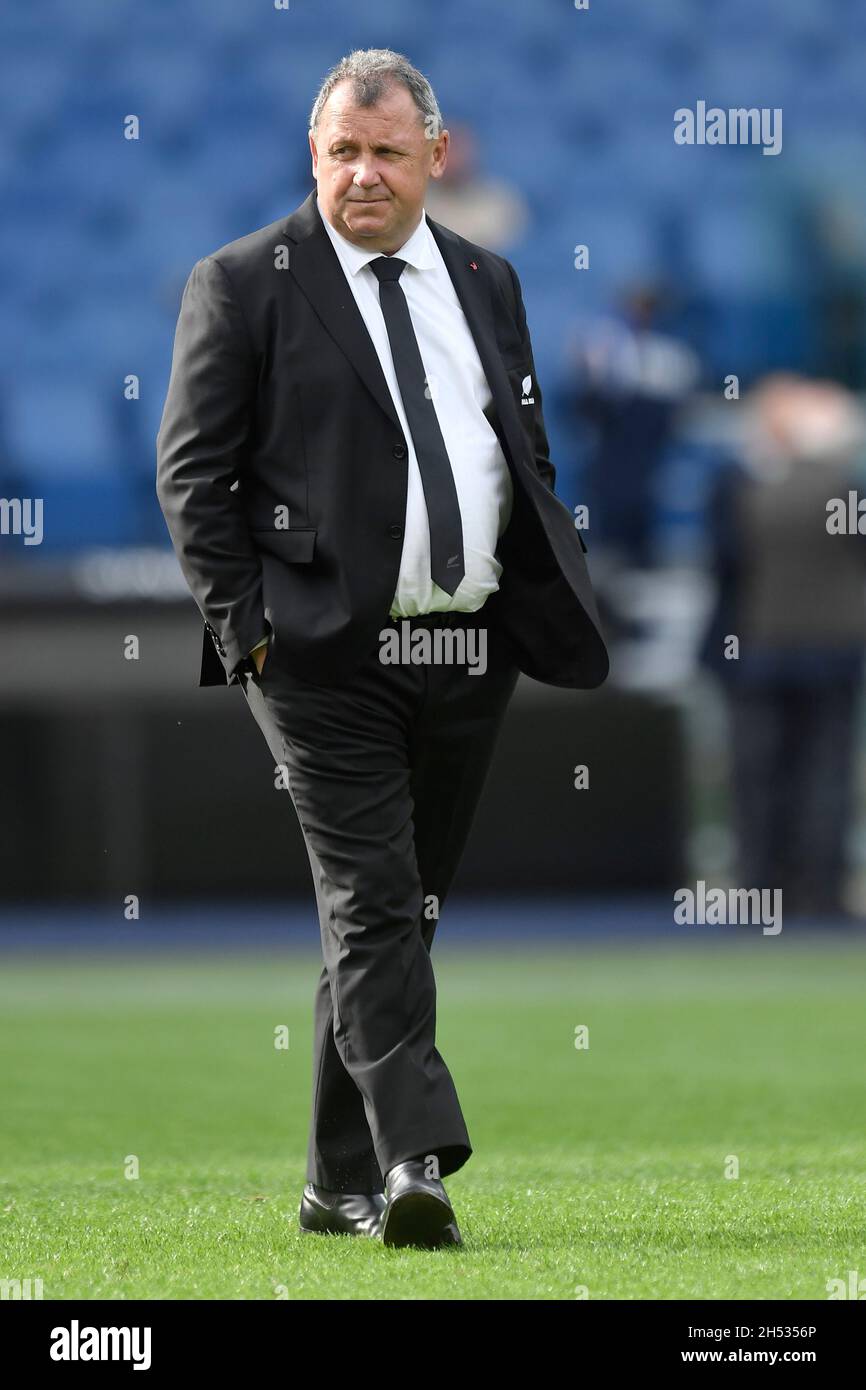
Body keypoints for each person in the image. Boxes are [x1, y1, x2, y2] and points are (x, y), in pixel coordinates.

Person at [156, 48, 607, 1249]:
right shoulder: (244, 282)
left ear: (433, 158)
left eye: (385, 152)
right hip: (315, 658)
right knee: (372, 901)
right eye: (340, 152)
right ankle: (416, 1159)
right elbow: (191, 473)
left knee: (399, 915)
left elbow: (519, 447)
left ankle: (330, 1182)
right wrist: (248, 635)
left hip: (461, 648)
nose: (361, 173)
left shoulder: (486, 279)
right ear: (313, 156)